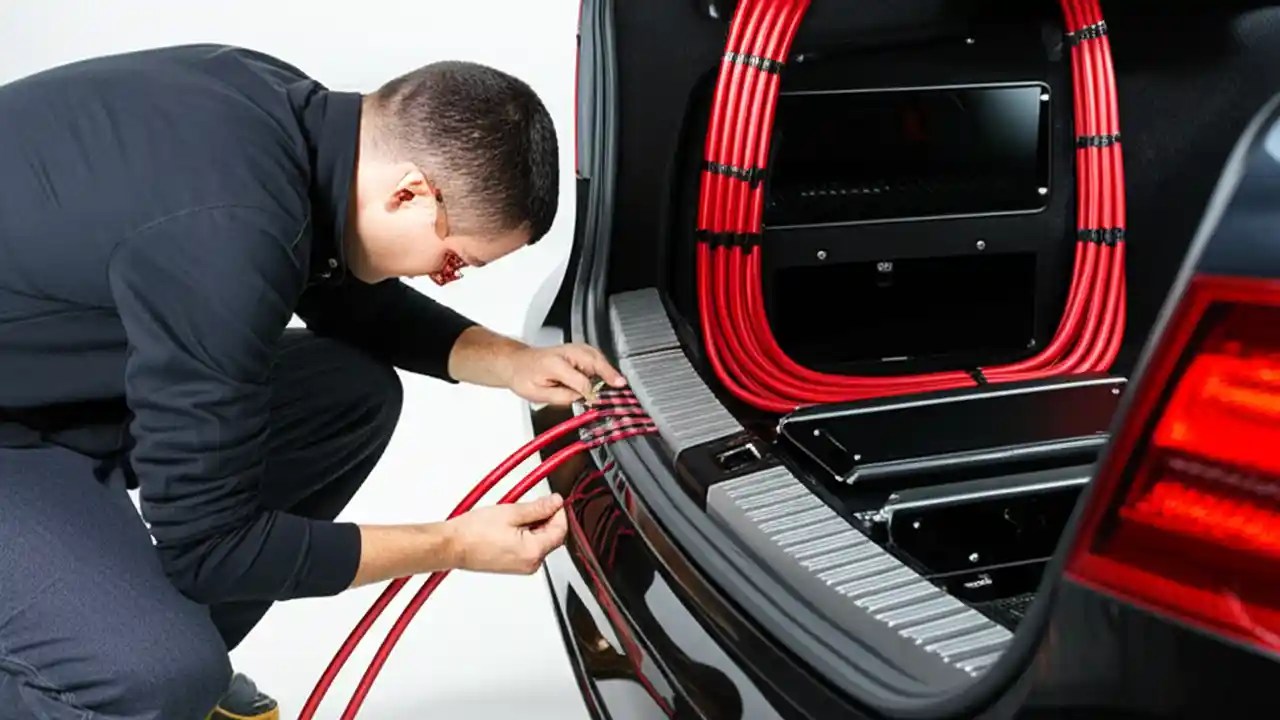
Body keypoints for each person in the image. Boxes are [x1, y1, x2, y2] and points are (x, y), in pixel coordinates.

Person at [0, 44, 626, 720]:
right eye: (452, 261)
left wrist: (511, 362)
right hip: (16, 431)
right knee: (157, 677)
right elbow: (209, 551)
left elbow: (332, 282)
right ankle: (90, 681)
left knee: (348, 394)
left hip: (47, 376)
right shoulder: (228, 237)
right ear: (411, 190)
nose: (444, 278)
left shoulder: (281, 111)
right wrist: (455, 544)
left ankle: (119, 643)